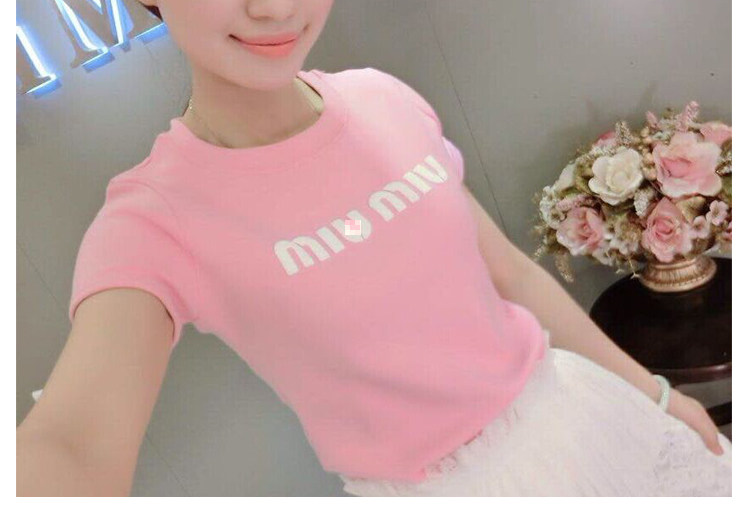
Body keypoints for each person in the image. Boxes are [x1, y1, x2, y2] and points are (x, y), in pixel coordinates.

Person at [17, 0, 731, 497]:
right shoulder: (155, 220)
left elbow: (510, 273)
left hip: (585, 414)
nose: (275, 7)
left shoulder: (381, 97)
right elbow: (73, 442)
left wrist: (656, 395)